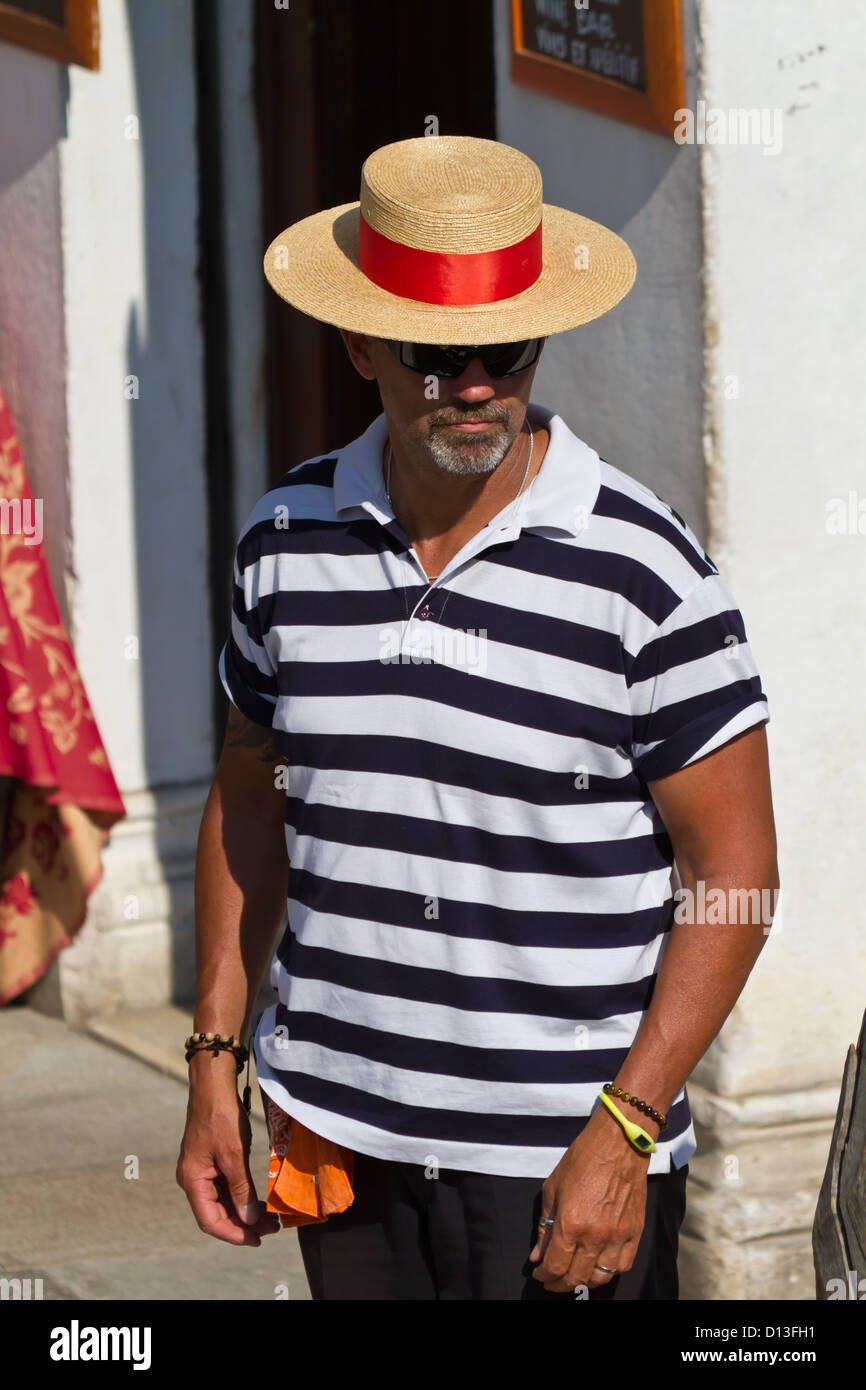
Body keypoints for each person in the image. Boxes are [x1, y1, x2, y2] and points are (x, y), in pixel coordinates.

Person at [176, 135, 779, 1300]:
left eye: (499, 351)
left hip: (564, 1161)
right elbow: (251, 791)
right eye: (432, 354)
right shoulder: (284, 542)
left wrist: (627, 1124)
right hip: (338, 1139)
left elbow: (736, 872)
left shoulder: (641, 572)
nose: (472, 388)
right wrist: (214, 1053)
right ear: (360, 345)